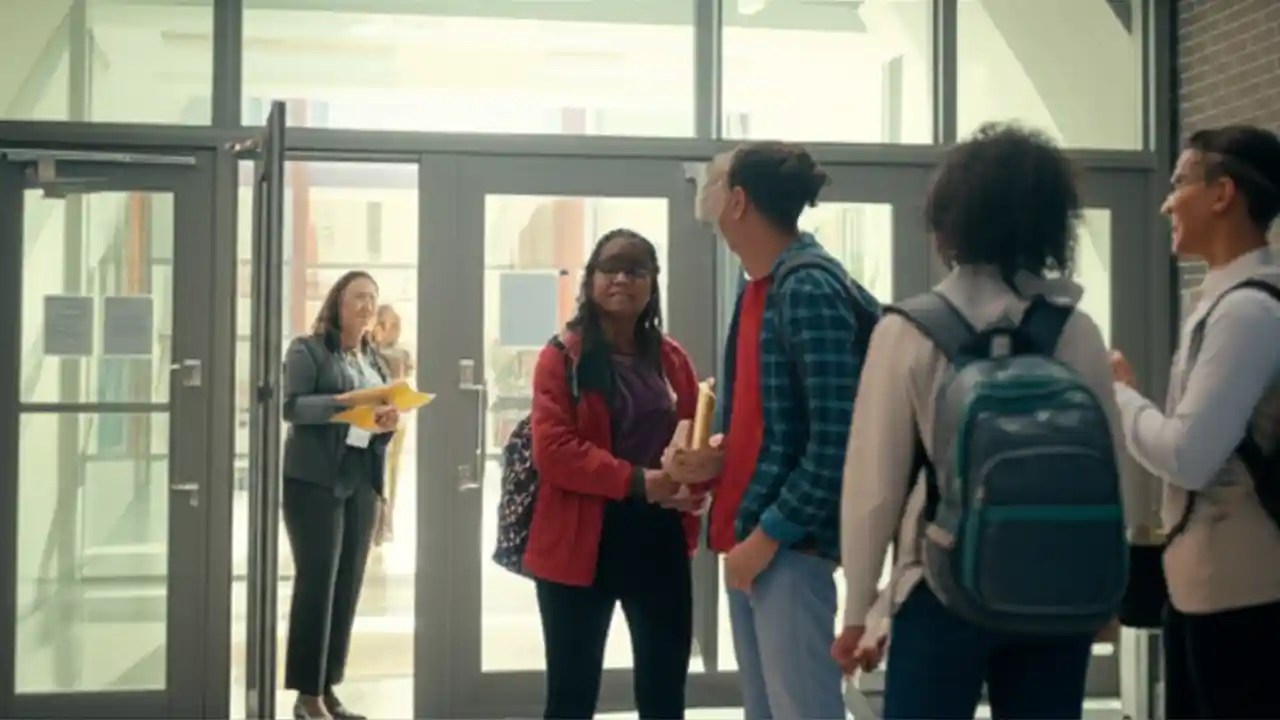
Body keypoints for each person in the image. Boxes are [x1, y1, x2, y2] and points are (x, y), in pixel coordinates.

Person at [832, 123, 1138, 719]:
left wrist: (858, 611)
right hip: (1055, 589)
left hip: (943, 589)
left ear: (949, 220)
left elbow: (875, 486)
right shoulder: (1076, 328)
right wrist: (1103, 584)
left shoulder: (909, 331)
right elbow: (1111, 469)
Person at [697, 141, 878, 720]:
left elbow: (837, 437)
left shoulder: (807, 288)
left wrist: (767, 536)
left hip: (788, 546)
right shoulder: (756, 286)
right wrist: (711, 461)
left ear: (740, 201)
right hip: (753, 537)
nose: (707, 200)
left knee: (804, 711)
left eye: (716, 186)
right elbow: (766, 424)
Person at [1110, 125, 1280, 719]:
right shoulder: (1226, 303)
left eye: (1180, 182)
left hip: (1242, 599)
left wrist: (1122, 398)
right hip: (1210, 593)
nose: (1166, 201)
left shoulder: (1248, 314)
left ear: (1223, 193)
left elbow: (1188, 455)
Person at [525, 229, 710, 719]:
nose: (622, 279)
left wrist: (695, 481)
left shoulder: (672, 359)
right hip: (579, 539)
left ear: (652, 285)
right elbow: (555, 451)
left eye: (636, 270)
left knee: (664, 689)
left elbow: (695, 436)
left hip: (659, 536)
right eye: (610, 268)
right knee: (571, 693)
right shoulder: (561, 358)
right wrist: (638, 481)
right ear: (590, 282)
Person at [281, 270, 400, 720]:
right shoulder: (307, 350)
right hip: (313, 484)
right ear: (338, 303)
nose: (367, 306)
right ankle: (306, 696)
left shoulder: (376, 359)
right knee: (317, 585)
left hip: (359, 482)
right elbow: (292, 408)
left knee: (347, 588)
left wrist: (386, 423)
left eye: (373, 298)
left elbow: (375, 427)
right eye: (358, 298)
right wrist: (347, 403)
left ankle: (328, 689)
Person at [371, 304, 413, 544]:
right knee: (380, 470)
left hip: (399, 417)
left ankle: (387, 522)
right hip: (377, 418)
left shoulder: (402, 354)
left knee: (393, 469)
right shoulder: (372, 354)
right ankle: (378, 522)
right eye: (392, 325)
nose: (396, 330)